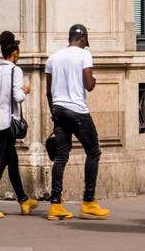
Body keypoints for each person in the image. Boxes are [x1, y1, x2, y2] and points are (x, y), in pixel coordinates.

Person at [45, 23, 109, 220]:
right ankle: (88, 201)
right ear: (83, 39)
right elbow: (89, 85)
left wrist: (54, 114)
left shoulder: (53, 57)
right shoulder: (84, 55)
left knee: (61, 157)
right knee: (93, 151)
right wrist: (94, 80)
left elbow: (48, 91)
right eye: (86, 42)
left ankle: (55, 204)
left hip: (59, 109)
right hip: (77, 111)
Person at [0, 30, 38, 218]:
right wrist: (25, 90)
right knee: (2, 161)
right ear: (15, 53)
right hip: (8, 123)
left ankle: (23, 200)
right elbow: (18, 97)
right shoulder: (15, 70)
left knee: (12, 161)